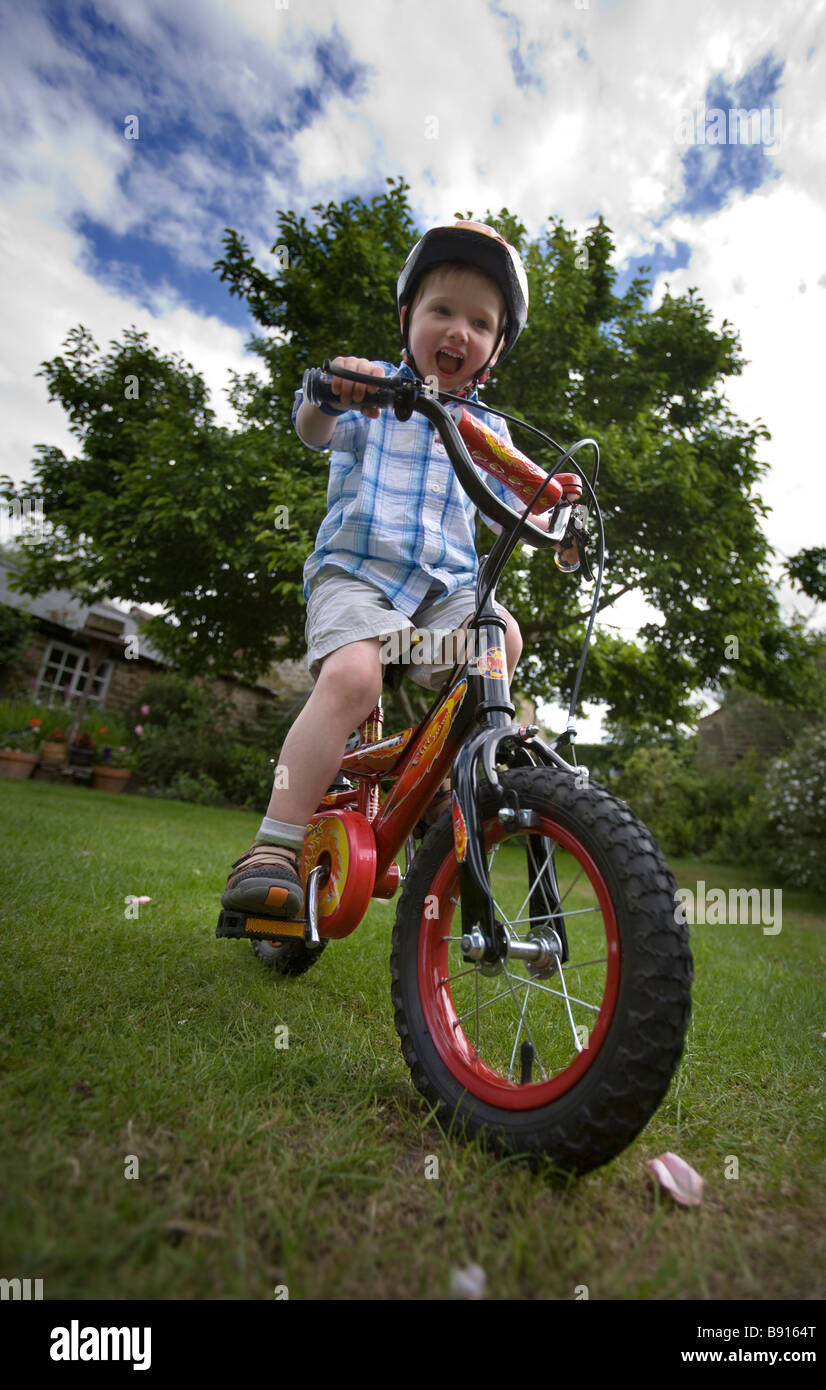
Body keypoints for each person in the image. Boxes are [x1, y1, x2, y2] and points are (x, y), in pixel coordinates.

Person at [221, 220, 547, 921]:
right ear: (408, 321)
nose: (458, 330)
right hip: (359, 576)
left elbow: (516, 502)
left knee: (500, 640)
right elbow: (310, 427)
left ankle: (438, 787)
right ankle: (272, 848)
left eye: (480, 322)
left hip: (438, 600)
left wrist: (559, 523)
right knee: (353, 677)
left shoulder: (489, 430)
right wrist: (331, 392)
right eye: (442, 311)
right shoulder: (370, 389)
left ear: (494, 348)